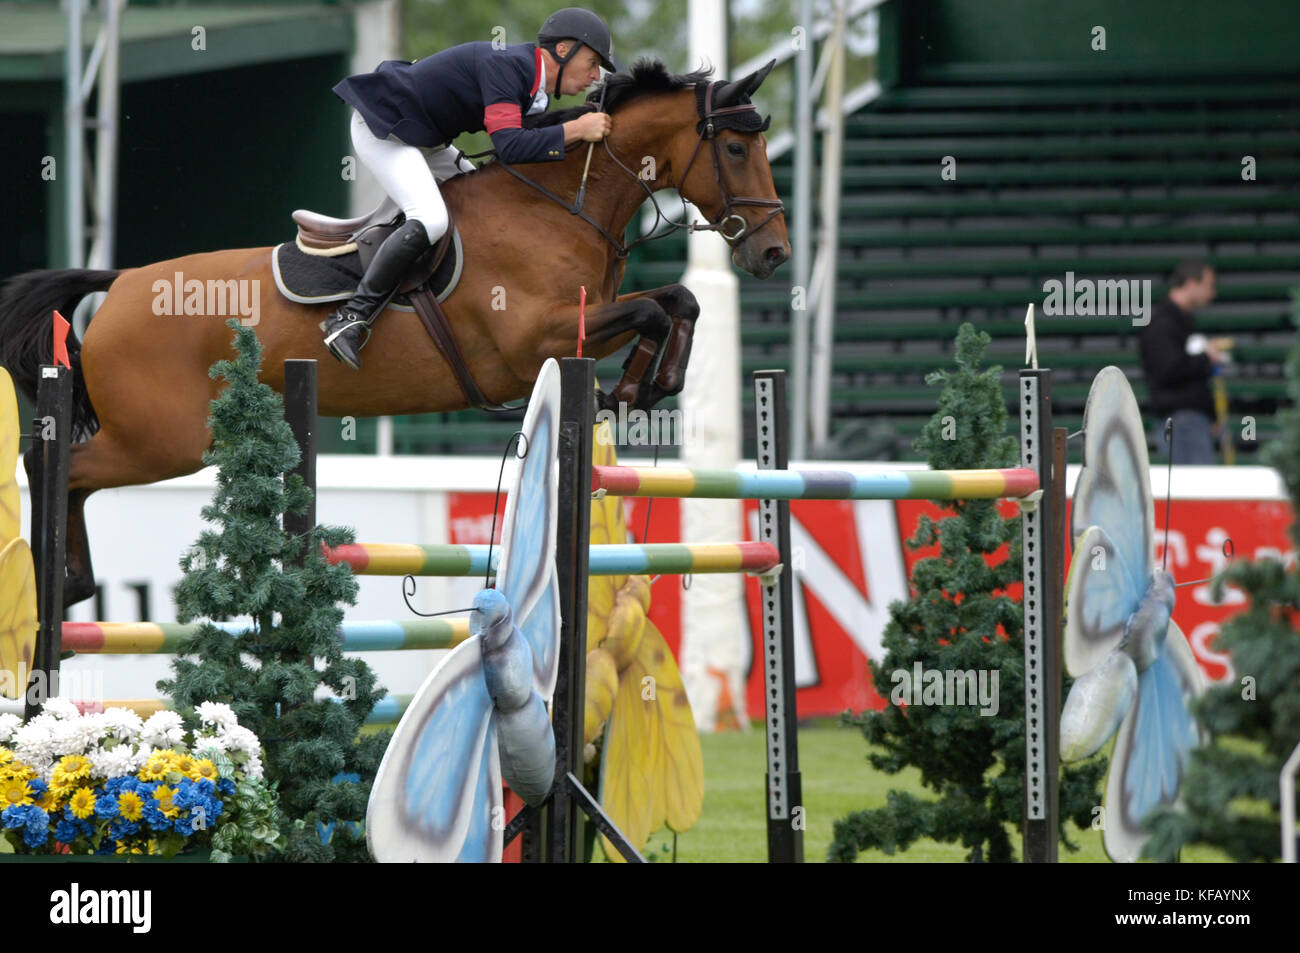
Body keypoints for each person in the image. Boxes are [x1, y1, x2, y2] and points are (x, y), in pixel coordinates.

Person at [323, 8, 617, 369]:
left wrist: (577, 121)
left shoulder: (533, 85)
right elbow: (510, 146)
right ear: (563, 50)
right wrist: (577, 129)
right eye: (591, 63)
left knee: (483, 194)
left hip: (423, 139)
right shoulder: (507, 67)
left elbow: (527, 139)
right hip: (384, 129)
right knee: (431, 219)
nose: (594, 76)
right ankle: (350, 318)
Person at [1137, 259, 1225, 464]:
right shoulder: (1163, 323)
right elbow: (1168, 370)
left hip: (1190, 420)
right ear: (1191, 284)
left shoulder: (1180, 320)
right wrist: (1205, 357)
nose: (1212, 294)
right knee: (1198, 490)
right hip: (1182, 421)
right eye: (1209, 286)